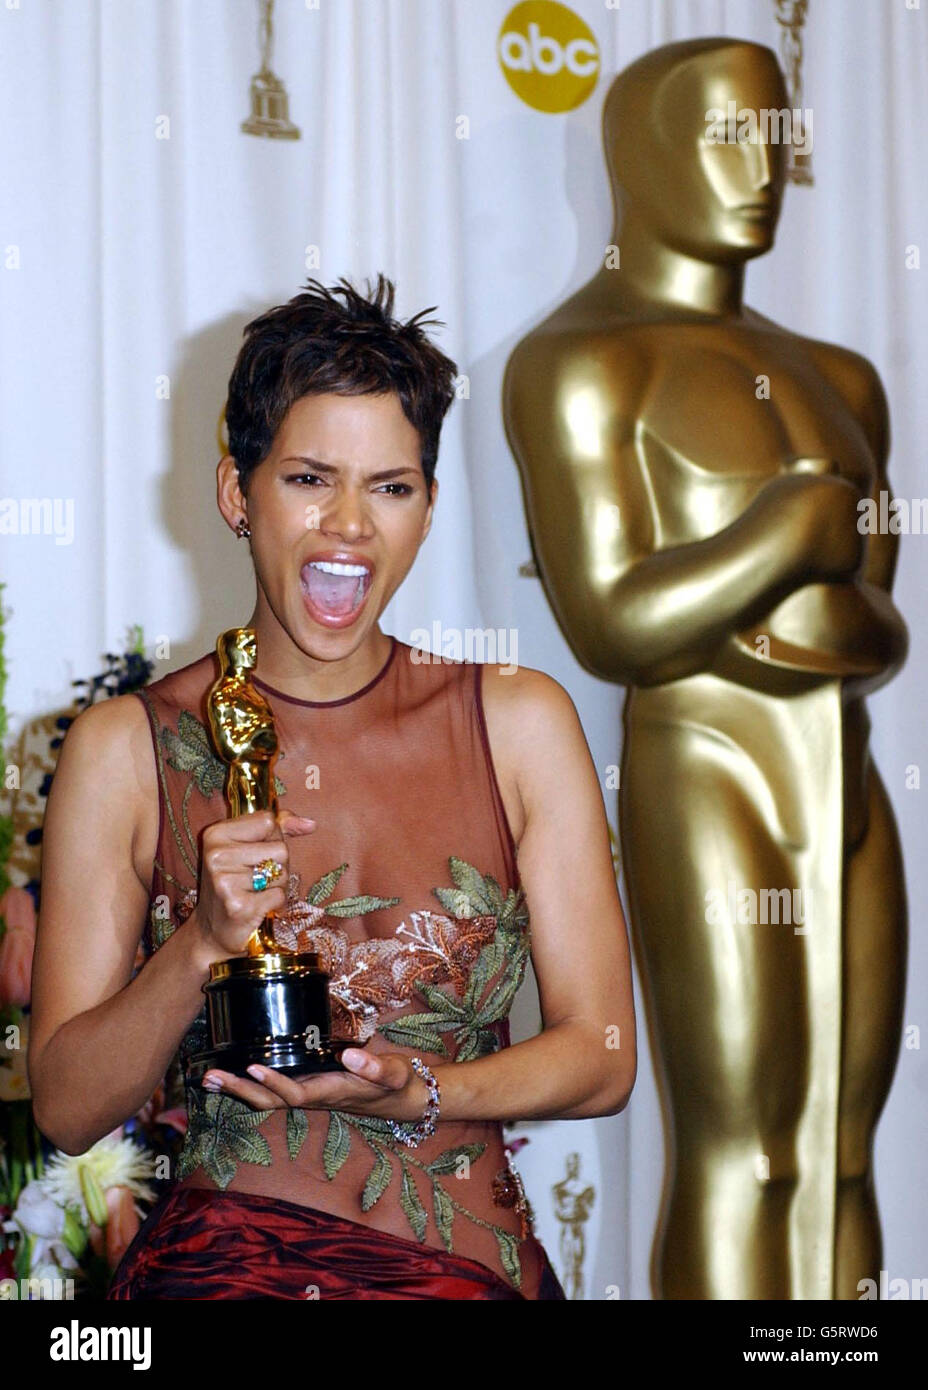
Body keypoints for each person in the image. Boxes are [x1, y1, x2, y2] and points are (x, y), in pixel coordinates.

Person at [28, 276, 637, 1301]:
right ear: (238, 492)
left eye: (391, 486)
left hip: (464, 1275)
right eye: (312, 478)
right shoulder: (126, 748)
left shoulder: (519, 722)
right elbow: (66, 1105)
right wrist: (202, 947)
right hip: (220, 1280)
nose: (351, 524)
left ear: (429, 507)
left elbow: (602, 1054)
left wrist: (426, 1087)